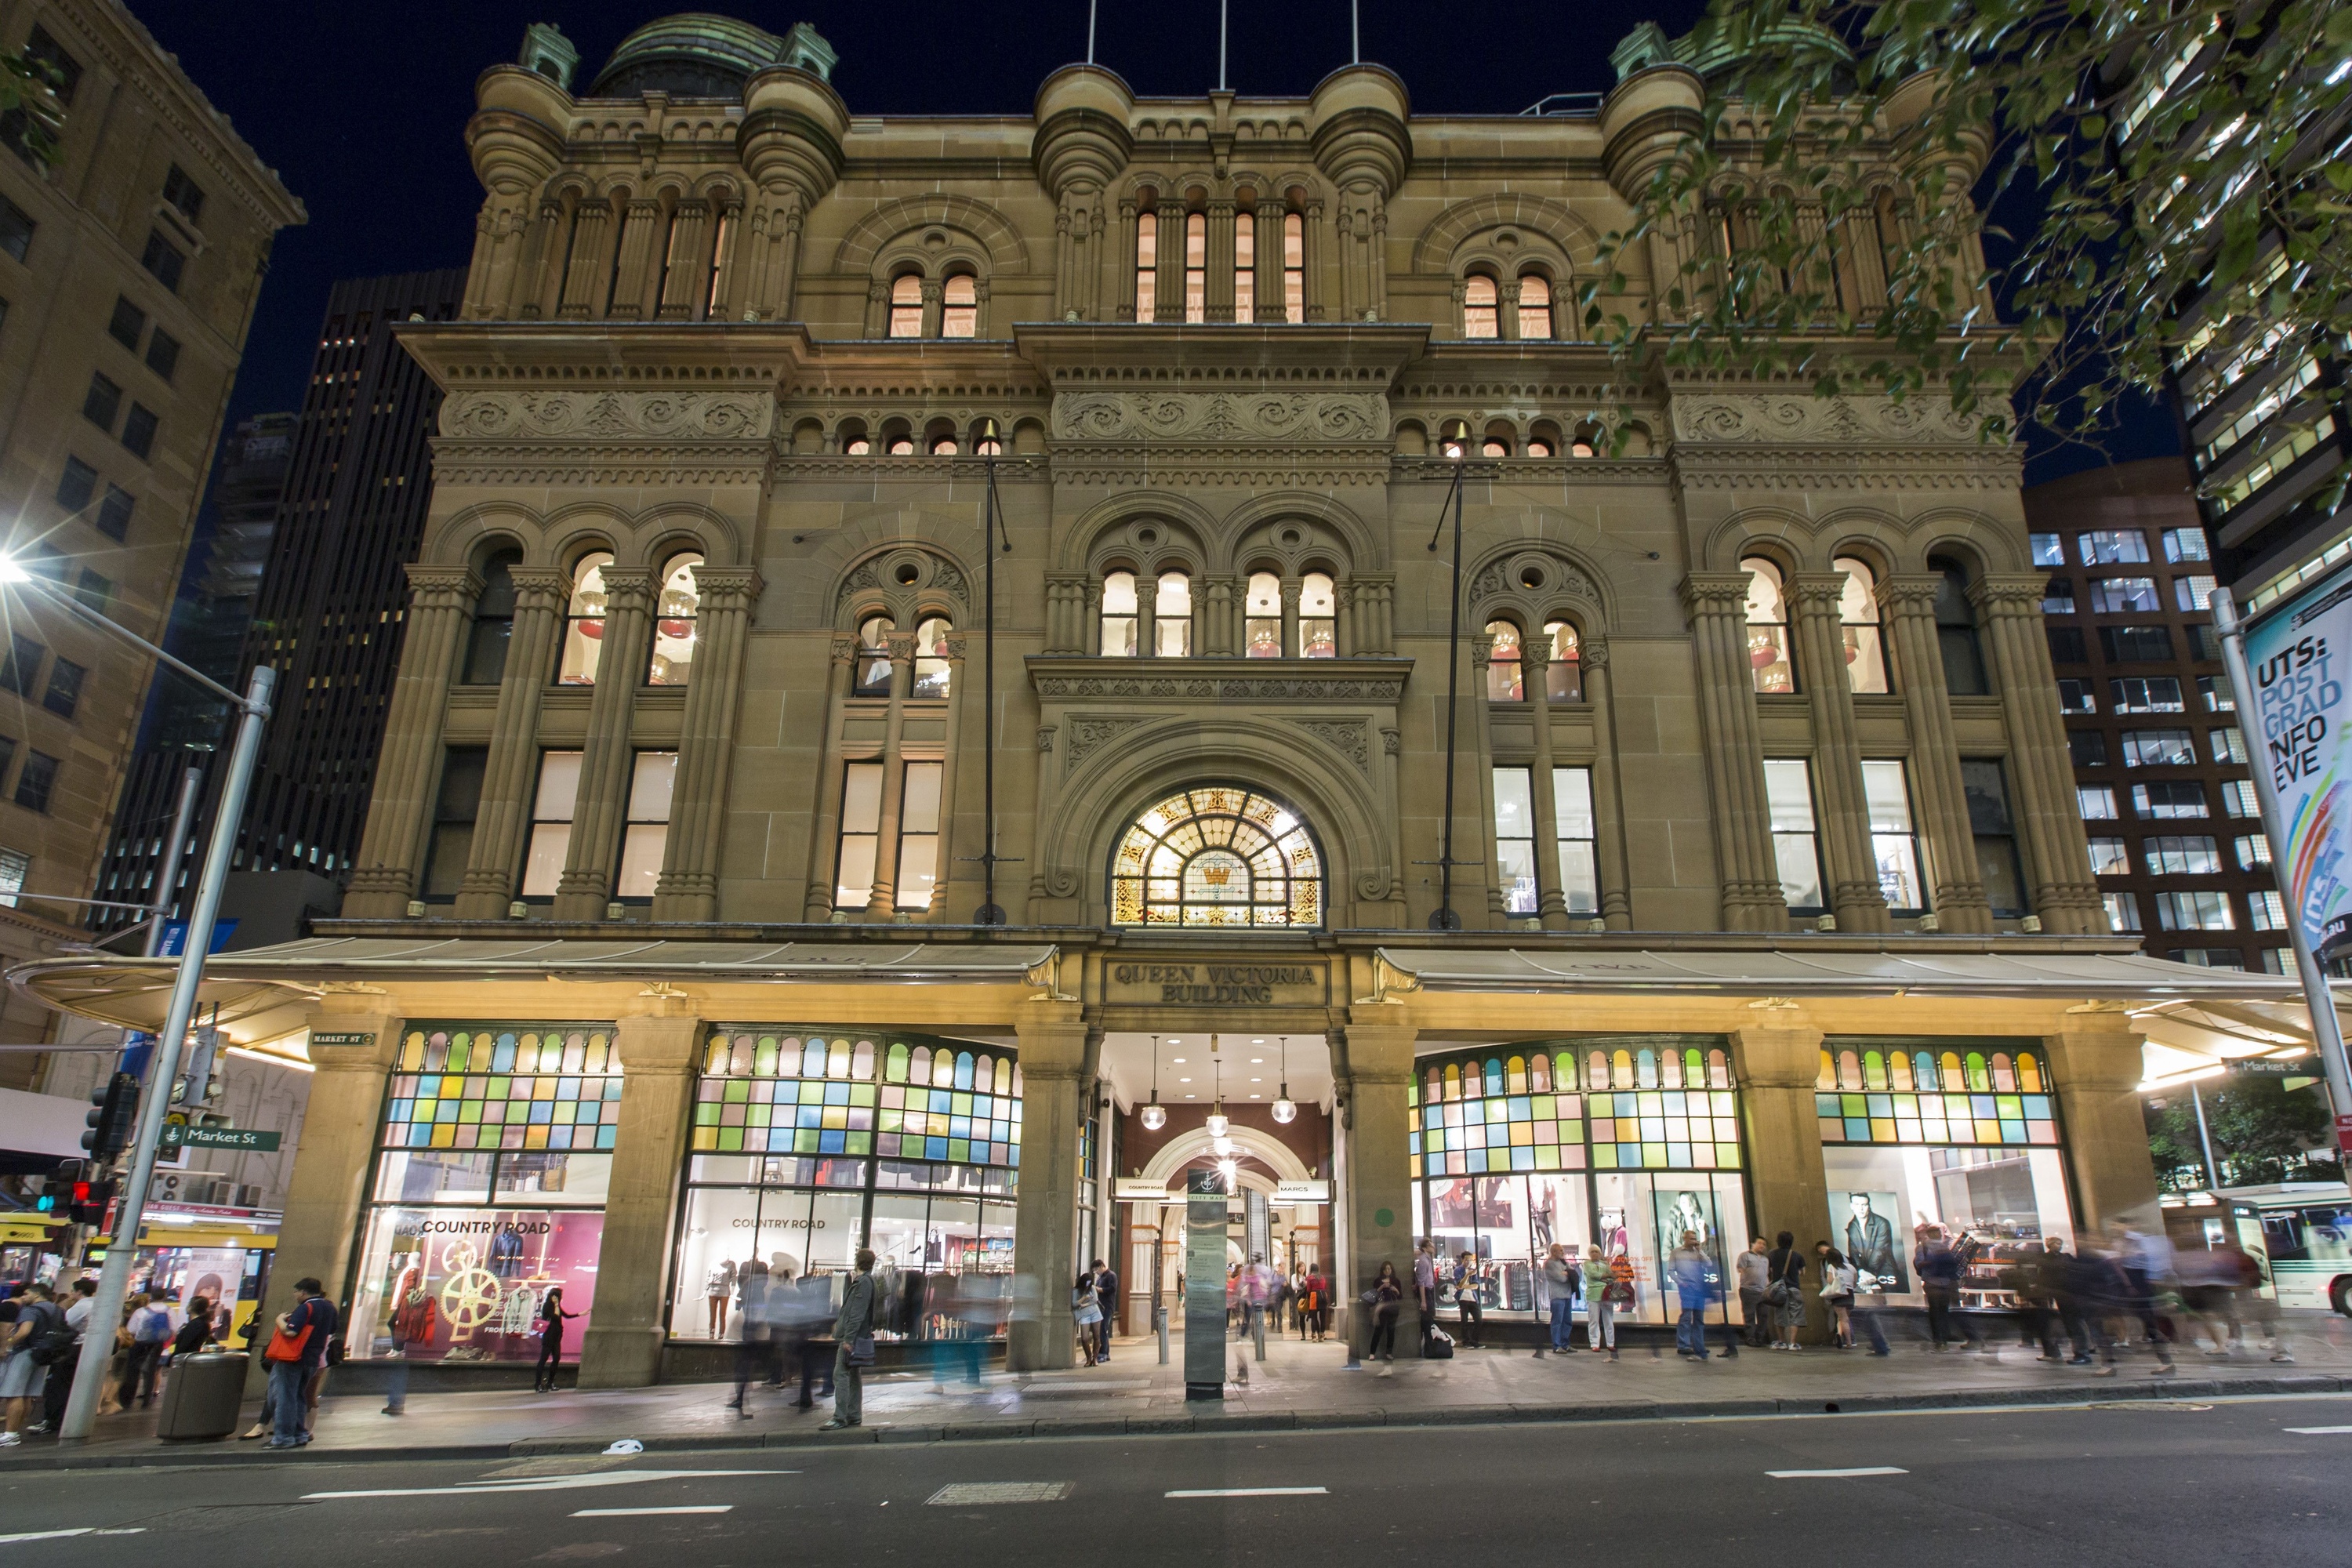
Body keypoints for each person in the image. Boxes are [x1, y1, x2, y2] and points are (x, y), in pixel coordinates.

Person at [264, 1278, 336, 1450]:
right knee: (299, 1397)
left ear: (303, 1292)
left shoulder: (306, 1307)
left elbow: (290, 1331)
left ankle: (283, 1438)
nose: (295, 1295)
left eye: (296, 1292)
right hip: (313, 1359)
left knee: (285, 1397)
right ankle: (300, 1434)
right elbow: (332, 1330)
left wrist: (280, 1320)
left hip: (292, 1358)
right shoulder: (329, 1307)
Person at [822, 1248, 879, 1429]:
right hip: (857, 1335)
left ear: (857, 1261)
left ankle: (840, 1417)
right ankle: (854, 1415)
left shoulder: (863, 1282)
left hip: (853, 1337)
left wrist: (848, 1338)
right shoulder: (868, 1281)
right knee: (853, 1375)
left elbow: (857, 1313)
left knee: (840, 1374)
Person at [0, 1281, 60, 1447]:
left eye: (26, 1294)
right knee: (27, 1394)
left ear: (36, 1294)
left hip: (24, 1353)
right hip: (44, 1355)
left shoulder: (30, 1309)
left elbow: (25, 1331)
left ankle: (10, 1434)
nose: (23, 1297)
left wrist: (9, 1343)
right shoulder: (56, 1309)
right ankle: (15, 1430)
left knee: (14, 1394)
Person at [34, 1277, 97, 1436]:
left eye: (72, 1290)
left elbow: (65, 1325)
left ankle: (53, 1420)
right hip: (88, 1349)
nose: (70, 1294)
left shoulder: (81, 1306)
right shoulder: (99, 1305)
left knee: (58, 1385)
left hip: (73, 1349)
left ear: (79, 1292)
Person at [381, 1265, 438, 1416]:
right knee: (396, 1325)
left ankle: (396, 1403)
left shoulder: (414, 1271)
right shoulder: (411, 1270)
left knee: (399, 1370)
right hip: (407, 1302)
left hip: (409, 1302)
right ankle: (395, 1403)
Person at [1913, 1226, 1976, 1350]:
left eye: (1939, 1233)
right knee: (1936, 1312)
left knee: (1944, 1310)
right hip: (1933, 1283)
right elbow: (1920, 1263)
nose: (1938, 1235)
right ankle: (1939, 1340)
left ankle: (1946, 1335)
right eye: (1935, 1233)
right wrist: (1936, 1261)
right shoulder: (1923, 1247)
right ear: (1930, 1234)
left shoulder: (1943, 1247)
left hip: (1945, 1282)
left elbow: (1950, 1264)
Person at [728, 1259, 773, 1415]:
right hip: (753, 1331)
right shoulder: (759, 1287)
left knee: (743, 1366)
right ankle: (740, 1397)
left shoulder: (752, 1286)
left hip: (750, 1331)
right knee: (745, 1365)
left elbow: (743, 1303)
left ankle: (740, 1398)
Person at [120, 1292, 173, 1408]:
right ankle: (147, 1399)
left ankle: (128, 1400)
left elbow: (131, 1329)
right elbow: (173, 1330)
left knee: (133, 1370)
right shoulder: (168, 1311)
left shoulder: (140, 1312)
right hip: (158, 1344)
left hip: (140, 1343)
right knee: (151, 1371)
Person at [1843, 1194, 1905, 1292]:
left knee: (1889, 1302)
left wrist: (1868, 1275)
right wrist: (1861, 1271)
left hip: (1885, 1272)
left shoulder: (1882, 1223)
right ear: (1851, 1206)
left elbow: (1879, 1251)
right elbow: (1853, 1252)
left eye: (1864, 1205)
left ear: (1869, 1206)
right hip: (1865, 1275)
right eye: (1857, 1204)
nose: (1861, 1209)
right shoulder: (1852, 1225)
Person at [1668, 1232, 1712, 1360]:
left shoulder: (1697, 1253)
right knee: (1686, 1317)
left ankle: (1699, 1345)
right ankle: (1683, 1345)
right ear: (1685, 1239)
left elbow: (1709, 1264)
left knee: (1699, 1318)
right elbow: (1671, 1271)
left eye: (1695, 1239)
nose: (1694, 1241)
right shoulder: (1676, 1252)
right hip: (1687, 1288)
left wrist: (1700, 1251)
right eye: (1691, 1239)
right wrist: (1681, 1283)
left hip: (1699, 1289)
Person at [533, 1286, 580, 1393]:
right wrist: (555, 1305)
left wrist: (579, 1314)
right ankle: (538, 1384)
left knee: (556, 1358)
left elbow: (566, 1315)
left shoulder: (557, 1306)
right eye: (560, 1296)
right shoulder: (547, 1306)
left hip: (556, 1337)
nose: (561, 1298)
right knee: (543, 1360)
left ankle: (550, 1382)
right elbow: (556, 1316)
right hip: (549, 1336)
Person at [1765, 1231, 1806, 1350]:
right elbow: (1803, 1272)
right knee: (1795, 1314)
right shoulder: (1797, 1255)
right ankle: (1793, 1343)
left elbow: (1770, 1270)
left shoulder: (1772, 1254)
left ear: (1778, 1241)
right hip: (1794, 1287)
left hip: (1778, 1289)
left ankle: (1781, 1341)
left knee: (1779, 1315)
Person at [1815, 1243, 1857, 1348]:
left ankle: (1848, 1342)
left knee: (1843, 1319)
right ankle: (1839, 1333)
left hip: (1839, 1295)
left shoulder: (1831, 1266)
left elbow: (1830, 1280)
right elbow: (1855, 1281)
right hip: (1850, 1294)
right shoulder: (1851, 1267)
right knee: (1844, 1318)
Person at [1589, 1246, 1628, 1359]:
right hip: (1593, 1295)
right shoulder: (1587, 1265)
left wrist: (1606, 1278)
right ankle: (1594, 1344)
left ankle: (1610, 1343)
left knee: (1609, 1319)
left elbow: (1613, 1278)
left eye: (1597, 1251)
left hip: (1606, 1295)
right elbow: (1593, 1275)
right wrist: (1607, 1277)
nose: (1595, 1254)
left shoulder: (1605, 1265)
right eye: (1592, 1252)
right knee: (1594, 1320)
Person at [1541, 1244, 1577, 1356]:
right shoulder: (1549, 1264)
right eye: (1560, 1250)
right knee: (1557, 1322)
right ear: (1554, 1252)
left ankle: (1565, 1344)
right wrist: (1567, 1274)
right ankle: (1557, 1345)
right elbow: (1561, 1278)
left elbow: (1574, 1274)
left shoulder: (1563, 1262)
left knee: (1567, 1321)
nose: (1563, 1252)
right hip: (1557, 1297)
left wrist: (1567, 1273)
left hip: (1567, 1295)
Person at [1734, 1238, 1770, 1348]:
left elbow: (1766, 1274)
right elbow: (1740, 1268)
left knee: (1763, 1315)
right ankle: (1750, 1338)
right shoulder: (1745, 1256)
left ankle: (1760, 1338)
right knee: (1749, 1315)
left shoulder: (1765, 1259)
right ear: (1753, 1244)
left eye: (1764, 1244)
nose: (1762, 1246)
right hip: (1749, 1289)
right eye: (1759, 1243)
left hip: (1763, 1290)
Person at [1367, 1260, 1403, 1367]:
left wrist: (1396, 1290)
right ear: (1383, 1270)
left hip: (1392, 1308)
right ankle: (1372, 1353)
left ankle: (1389, 1352)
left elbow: (1400, 1296)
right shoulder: (1378, 1281)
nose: (1388, 1271)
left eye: (1390, 1269)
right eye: (1386, 1269)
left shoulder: (1396, 1281)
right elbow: (1374, 1295)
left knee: (1391, 1330)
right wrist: (1382, 1287)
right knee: (1378, 1330)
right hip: (1381, 1308)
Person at [1452, 1250, 1485, 1348]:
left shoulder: (1474, 1271)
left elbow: (1476, 1286)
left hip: (1473, 1298)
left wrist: (1464, 1286)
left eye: (1470, 1260)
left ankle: (1474, 1341)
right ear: (1462, 1259)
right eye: (1466, 1260)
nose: (1468, 1262)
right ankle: (1466, 1342)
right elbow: (1460, 1284)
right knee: (1464, 1321)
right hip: (1463, 1298)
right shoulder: (1458, 1270)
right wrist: (1467, 1275)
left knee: (1479, 1320)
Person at [1072, 1267, 1102, 1367]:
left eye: (1089, 1283)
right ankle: (1088, 1358)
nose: (1087, 1285)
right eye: (1086, 1283)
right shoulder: (1076, 1291)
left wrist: (1084, 1305)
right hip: (1084, 1315)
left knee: (1096, 1336)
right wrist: (1084, 1298)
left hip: (1095, 1312)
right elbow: (1074, 1304)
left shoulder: (1092, 1288)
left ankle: (1095, 1358)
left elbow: (1095, 1300)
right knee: (1085, 1338)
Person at [1091, 1258, 1119, 1363]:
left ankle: (1103, 1353)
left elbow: (1112, 1288)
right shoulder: (1100, 1278)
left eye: (1097, 1269)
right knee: (1101, 1329)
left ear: (1102, 1266)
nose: (1096, 1272)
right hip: (1100, 1306)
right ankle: (1105, 1353)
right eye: (1094, 1271)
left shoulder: (1111, 1275)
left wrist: (1100, 1289)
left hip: (1107, 1306)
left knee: (1103, 1329)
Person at [1411, 1240, 1439, 1341]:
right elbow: (1422, 1281)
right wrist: (1423, 1301)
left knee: (1429, 1317)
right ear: (1425, 1248)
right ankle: (1428, 1342)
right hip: (1426, 1291)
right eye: (1430, 1245)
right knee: (1427, 1318)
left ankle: (1428, 1341)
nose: (1433, 1246)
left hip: (1429, 1290)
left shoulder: (1427, 1259)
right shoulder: (1423, 1261)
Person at [706, 1258, 736, 1339]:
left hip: (724, 1293)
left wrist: (732, 1293)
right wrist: (704, 1291)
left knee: (722, 1316)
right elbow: (708, 1277)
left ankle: (721, 1337)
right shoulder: (713, 1263)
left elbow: (734, 1278)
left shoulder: (731, 1264)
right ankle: (711, 1336)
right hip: (712, 1292)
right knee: (712, 1317)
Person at [1299, 1267, 1328, 1342]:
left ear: (1311, 1270)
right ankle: (1322, 1336)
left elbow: (1308, 1290)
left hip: (1314, 1296)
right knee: (1323, 1318)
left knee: (1314, 1317)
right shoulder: (1322, 1277)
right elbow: (1325, 1287)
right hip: (1323, 1296)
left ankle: (1314, 1336)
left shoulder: (1310, 1278)